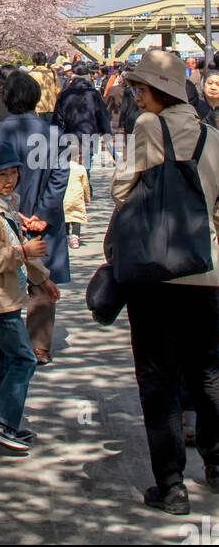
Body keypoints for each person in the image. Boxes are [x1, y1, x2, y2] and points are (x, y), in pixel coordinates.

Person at [113, 50, 219, 514]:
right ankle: (216, 464)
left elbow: (122, 188)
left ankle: (172, 485)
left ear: (161, 91)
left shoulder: (148, 129)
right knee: (208, 372)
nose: (136, 97)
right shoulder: (214, 137)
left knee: (158, 377)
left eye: (140, 90)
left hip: (155, 271)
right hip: (207, 271)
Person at [0, 137, 58, 453]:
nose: (9, 180)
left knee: (3, 360)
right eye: (1, 175)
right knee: (23, 358)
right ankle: (1, 420)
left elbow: (23, 257)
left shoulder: (5, 209)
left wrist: (43, 280)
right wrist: (22, 250)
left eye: (13, 173)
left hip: (6, 295)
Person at [0, 71, 70, 364]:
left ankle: (8, 342)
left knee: (4, 279)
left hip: (3, 218)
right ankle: (39, 346)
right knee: (42, 283)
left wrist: (12, 214)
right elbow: (60, 176)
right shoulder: (53, 135)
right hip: (43, 220)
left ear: (5, 99)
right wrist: (42, 214)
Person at [52, 61, 111, 175]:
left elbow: (58, 119)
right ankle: (86, 190)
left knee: (72, 172)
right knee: (85, 170)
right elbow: (102, 116)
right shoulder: (94, 94)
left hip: (69, 136)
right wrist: (106, 133)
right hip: (89, 135)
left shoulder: (64, 95)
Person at [63, 158, 91, 249]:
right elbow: (85, 185)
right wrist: (87, 198)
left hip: (64, 197)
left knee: (65, 217)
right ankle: (75, 238)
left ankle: (66, 236)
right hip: (77, 197)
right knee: (76, 217)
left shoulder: (62, 167)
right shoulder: (80, 168)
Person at [29, 53, 59, 123]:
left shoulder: (30, 74)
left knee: (39, 132)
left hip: (37, 110)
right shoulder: (53, 73)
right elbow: (58, 90)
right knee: (52, 132)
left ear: (34, 62)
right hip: (52, 108)